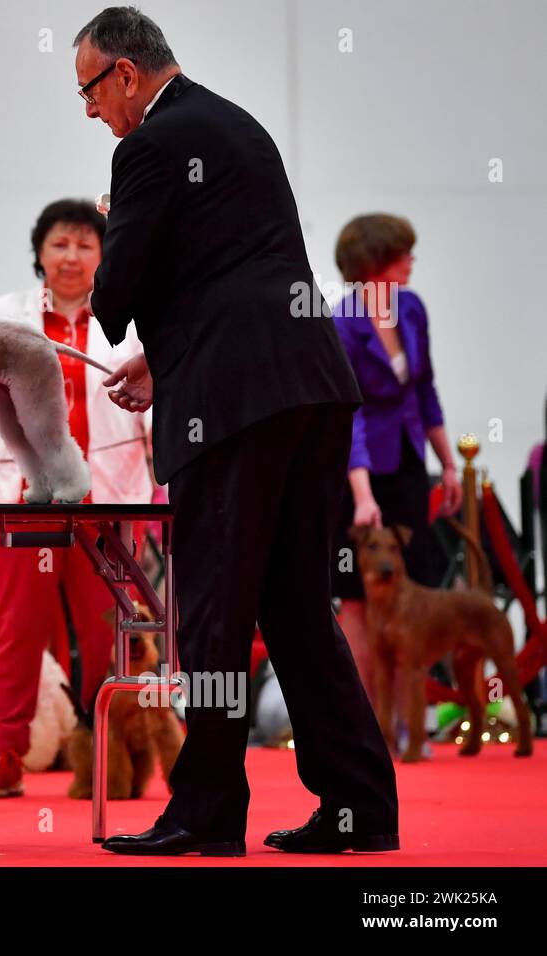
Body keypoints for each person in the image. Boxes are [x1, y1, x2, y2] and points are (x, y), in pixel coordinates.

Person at [75, 6, 397, 855]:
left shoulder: (143, 147)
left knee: (216, 614)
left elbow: (112, 301)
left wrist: (114, 224)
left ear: (126, 75)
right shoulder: (238, 124)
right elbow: (231, 268)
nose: (88, 109)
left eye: (89, 89)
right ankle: (360, 806)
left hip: (234, 404)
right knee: (296, 607)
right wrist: (166, 355)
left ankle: (206, 812)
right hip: (308, 386)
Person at [0, 198, 155, 798]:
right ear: (39, 250)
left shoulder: (135, 318)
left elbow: (161, 392)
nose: (72, 256)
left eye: (86, 244)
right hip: (24, 493)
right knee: (15, 628)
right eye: (60, 243)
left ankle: (112, 754)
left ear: (104, 254)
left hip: (109, 498)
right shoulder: (4, 315)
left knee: (110, 629)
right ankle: (6, 756)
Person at [330, 214, 461, 701]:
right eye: (401, 253)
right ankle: (366, 716)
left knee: (414, 592)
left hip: (406, 458)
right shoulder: (342, 322)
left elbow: (425, 389)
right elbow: (350, 414)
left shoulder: (411, 308)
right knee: (360, 600)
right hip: (356, 470)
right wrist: (362, 497)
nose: (411, 261)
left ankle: (409, 716)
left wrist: (447, 464)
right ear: (372, 264)